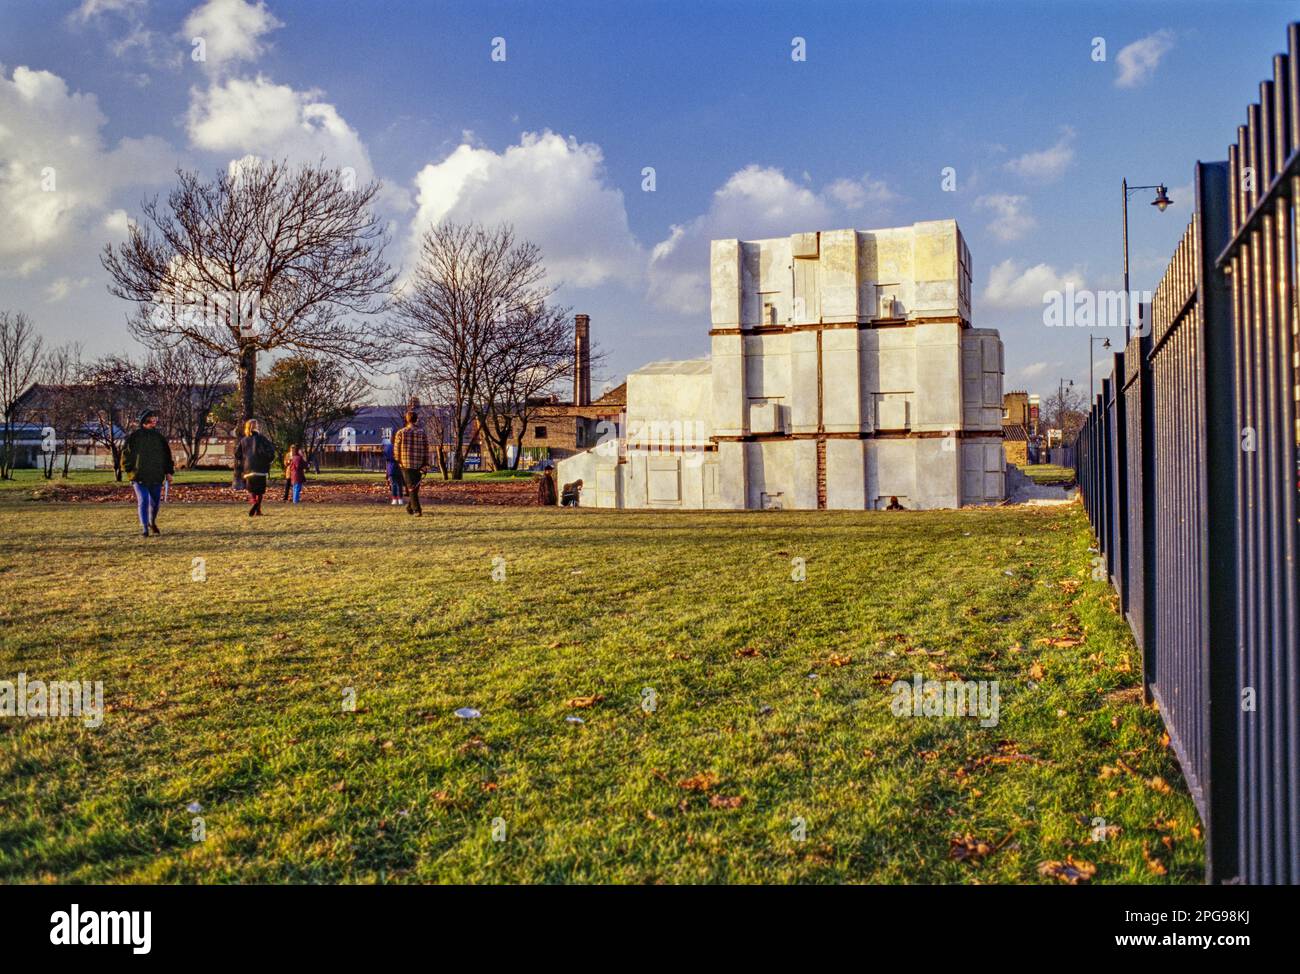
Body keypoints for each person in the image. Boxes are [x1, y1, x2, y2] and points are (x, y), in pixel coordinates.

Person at [122, 409, 174, 537]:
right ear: (145, 420)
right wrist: (130, 471)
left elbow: (167, 456)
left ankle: (152, 522)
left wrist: (168, 472)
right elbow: (126, 456)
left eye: (155, 418)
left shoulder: (159, 438)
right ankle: (144, 528)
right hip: (139, 476)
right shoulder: (134, 437)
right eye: (152, 418)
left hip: (156, 476)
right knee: (143, 500)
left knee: (155, 503)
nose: (155, 420)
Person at [234, 419, 276, 517]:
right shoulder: (262, 438)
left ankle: (254, 503)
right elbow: (271, 450)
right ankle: (258, 508)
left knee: (252, 490)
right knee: (260, 491)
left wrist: (244, 460)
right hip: (260, 468)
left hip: (248, 468)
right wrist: (268, 460)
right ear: (256, 426)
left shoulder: (243, 440)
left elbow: (237, 454)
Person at [391, 409, 429, 516]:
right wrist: (426, 463)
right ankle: (411, 508)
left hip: (405, 462)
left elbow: (396, 448)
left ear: (406, 420)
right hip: (419, 463)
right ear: (416, 420)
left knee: (412, 487)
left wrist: (398, 460)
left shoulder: (401, 433)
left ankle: (416, 509)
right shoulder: (422, 433)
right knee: (414, 487)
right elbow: (426, 449)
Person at [382, 434, 403, 506]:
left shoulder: (387, 448)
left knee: (393, 484)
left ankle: (394, 499)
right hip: (400, 467)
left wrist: (387, 472)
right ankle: (400, 499)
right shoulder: (400, 447)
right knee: (400, 484)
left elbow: (386, 459)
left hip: (391, 467)